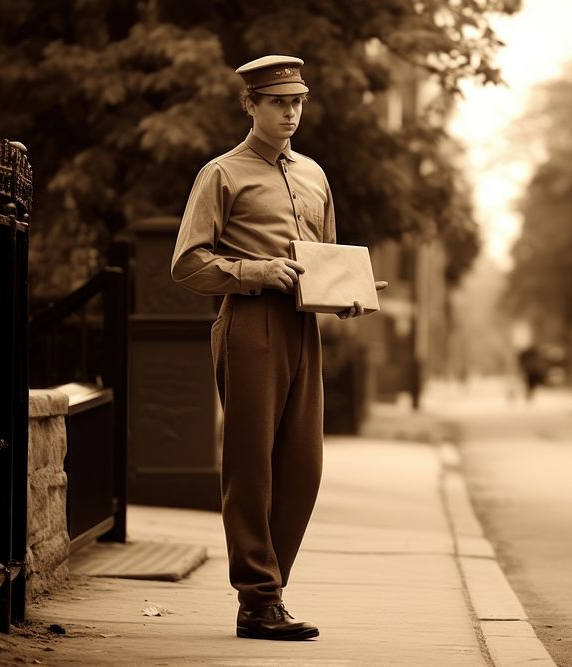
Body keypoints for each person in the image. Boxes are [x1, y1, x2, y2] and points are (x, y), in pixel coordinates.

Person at [171, 54, 385, 641]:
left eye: (297, 102)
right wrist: (257, 272)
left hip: (301, 329)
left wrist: (348, 294)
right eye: (277, 103)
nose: (290, 113)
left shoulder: (315, 175)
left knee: (303, 467)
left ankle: (268, 591)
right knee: (250, 467)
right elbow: (187, 265)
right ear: (251, 105)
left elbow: (325, 260)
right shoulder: (221, 174)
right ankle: (258, 598)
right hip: (248, 325)